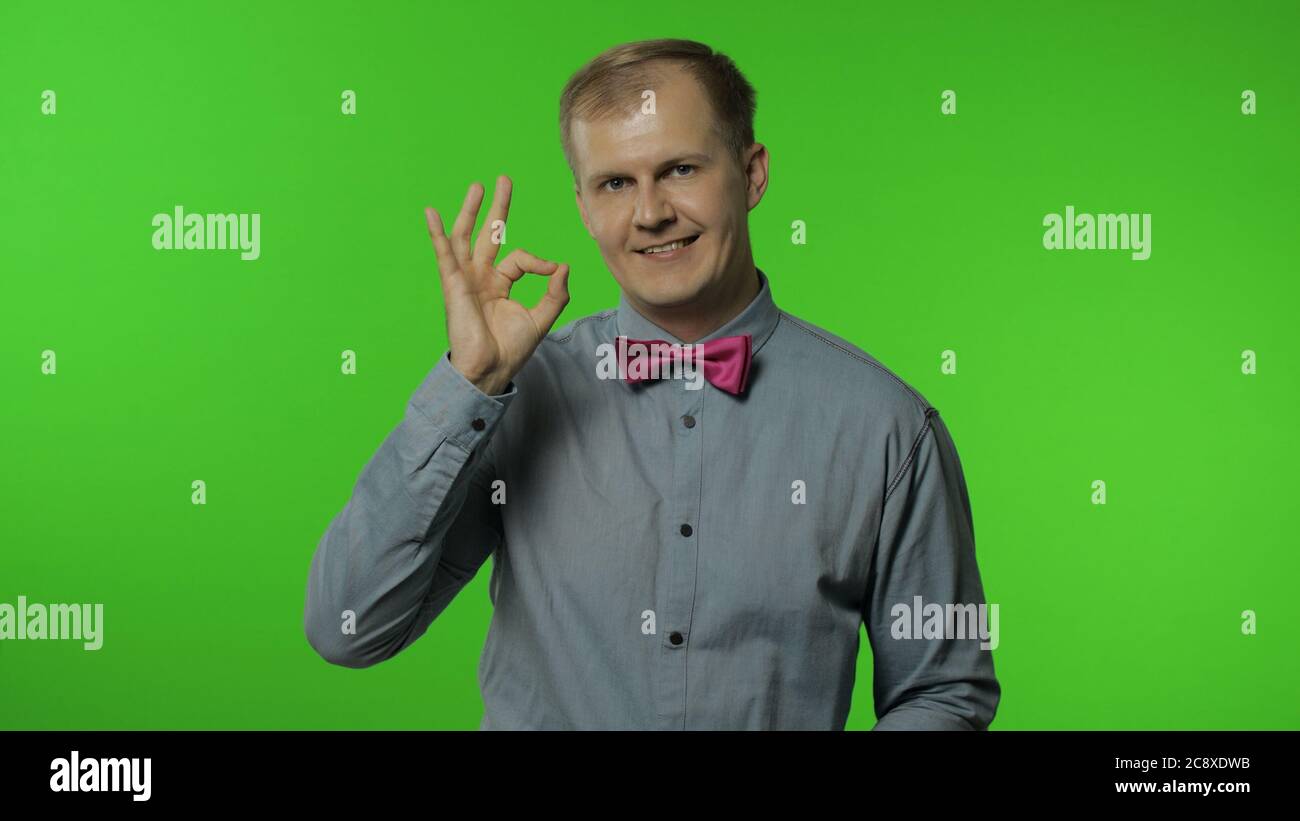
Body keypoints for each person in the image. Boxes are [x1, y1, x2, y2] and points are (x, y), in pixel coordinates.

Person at [303, 38, 1000, 730]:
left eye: (680, 169)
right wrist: (469, 384)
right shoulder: (511, 399)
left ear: (752, 174)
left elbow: (944, 692)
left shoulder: (889, 426)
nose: (650, 213)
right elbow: (349, 627)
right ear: (582, 204)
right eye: (615, 183)